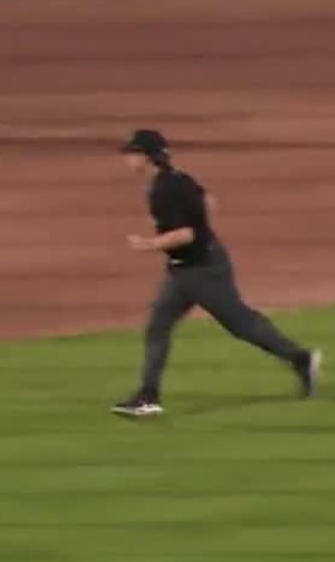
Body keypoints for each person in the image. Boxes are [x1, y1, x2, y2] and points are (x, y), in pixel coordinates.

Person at [113, 129, 322, 417]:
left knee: (242, 324)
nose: (127, 159)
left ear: (147, 157)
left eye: (132, 154)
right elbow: (209, 201)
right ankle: (148, 396)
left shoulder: (163, 190)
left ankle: (301, 358)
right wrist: (203, 233)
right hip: (186, 268)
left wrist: (148, 244)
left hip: (201, 272)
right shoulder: (178, 178)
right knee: (157, 326)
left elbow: (184, 234)